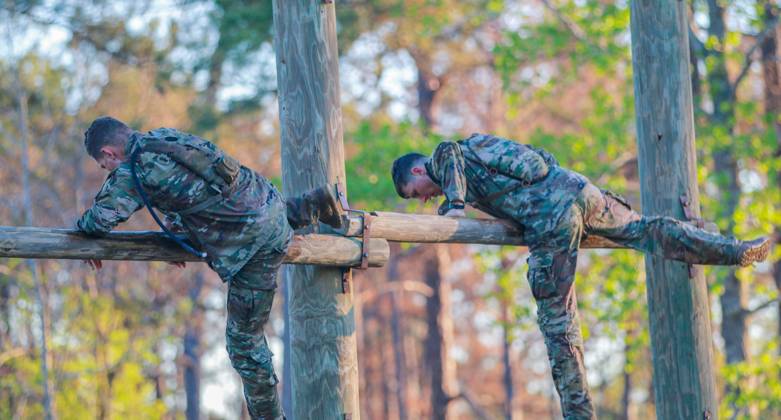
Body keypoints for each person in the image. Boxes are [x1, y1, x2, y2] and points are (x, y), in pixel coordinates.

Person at [391, 133, 770, 419]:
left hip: (552, 217)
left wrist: (455, 205)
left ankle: (578, 414)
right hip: (579, 189)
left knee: (558, 321)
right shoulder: (482, 153)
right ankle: (734, 250)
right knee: (649, 230)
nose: (422, 199)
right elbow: (539, 160)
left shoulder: (445, 157)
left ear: (419, 170)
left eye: (415, 192)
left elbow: (447, 152)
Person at [76, 116, 341, 420]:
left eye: (103, 164)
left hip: (255, 244)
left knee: (244, 344)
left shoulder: (134, 169)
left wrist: (81, 234)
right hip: (266, 199)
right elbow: (193, 192)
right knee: (266, 217)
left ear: (109, 153)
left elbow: (100, 220)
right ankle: (310, 205)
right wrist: (177, 236)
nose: (106, 170)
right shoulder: (165, 137)